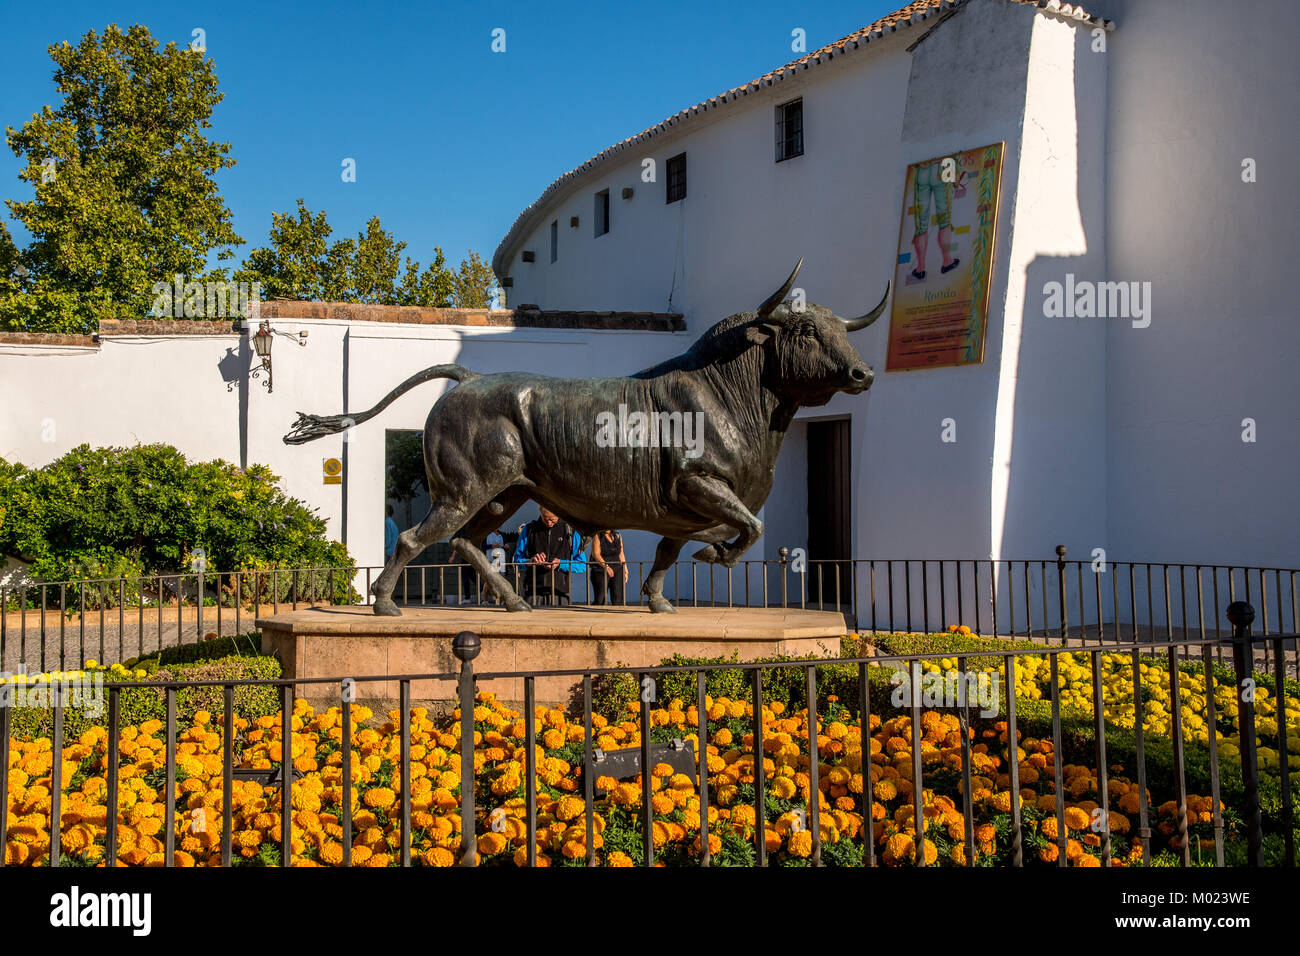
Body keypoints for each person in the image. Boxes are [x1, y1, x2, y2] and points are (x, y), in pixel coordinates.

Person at [513, 506, 586, 606]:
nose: (549, 523)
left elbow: (582, 565)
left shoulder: (571, 531)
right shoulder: (529, 529)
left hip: (560, 592)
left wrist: (561, 564)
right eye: (545, 519)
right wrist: (530, 562)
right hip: (533, 592)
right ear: (540, 512)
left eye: (552, 520)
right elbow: (516, 561)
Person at [588, 529, 628, 606]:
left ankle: (617, 616)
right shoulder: (598, 536)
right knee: (600, 598)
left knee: (618, 598)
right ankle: (597, 615)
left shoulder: (617, 535)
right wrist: (606, 566)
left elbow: (621, 553)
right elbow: (596, 554)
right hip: (600, 570)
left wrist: (625, 570)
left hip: (617, 569)